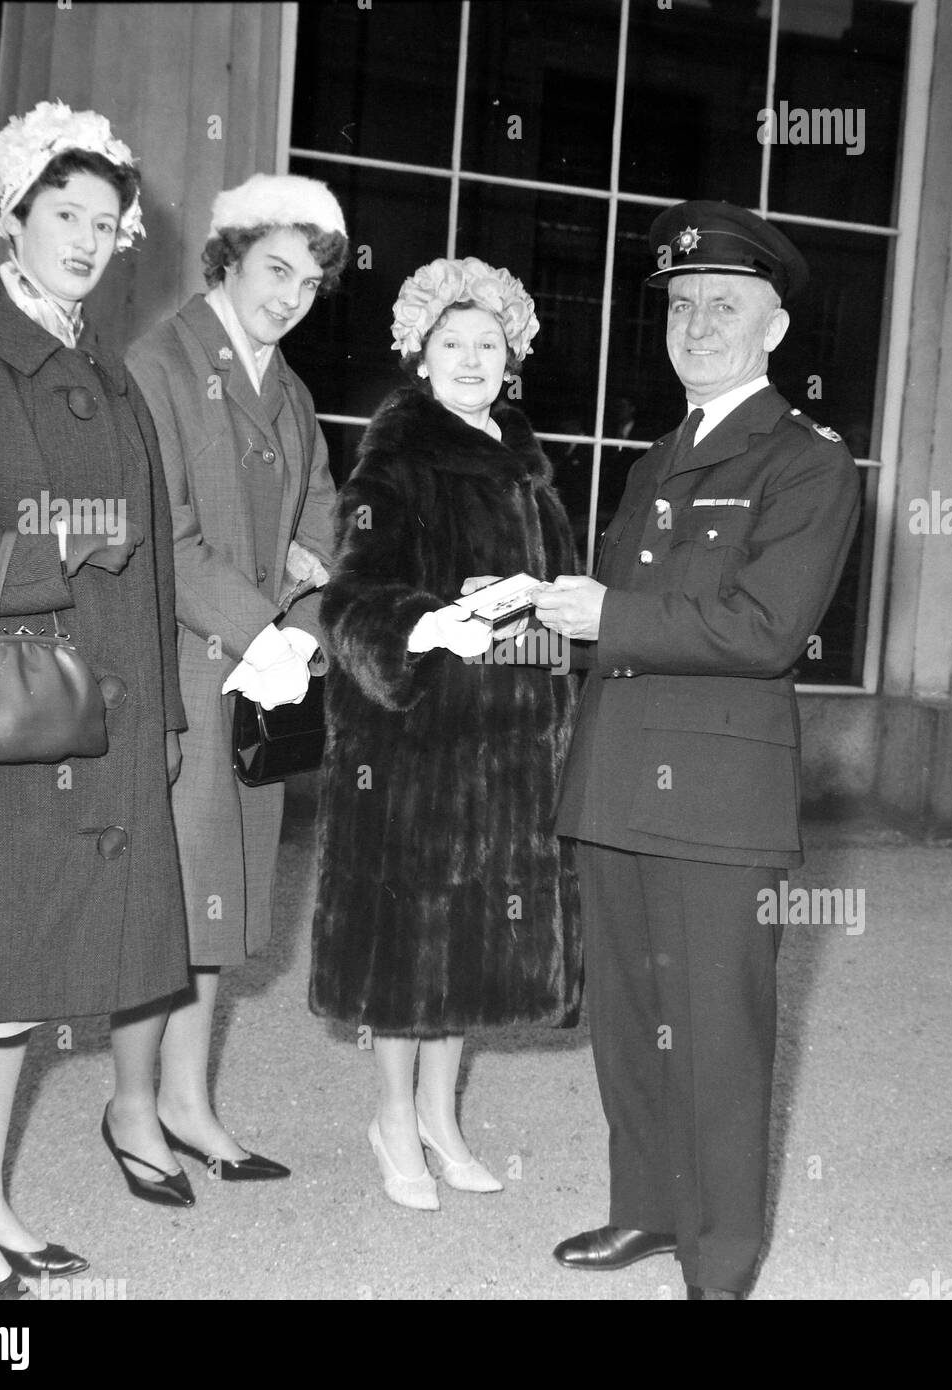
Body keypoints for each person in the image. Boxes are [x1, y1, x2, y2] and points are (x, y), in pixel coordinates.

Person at [0, 101, 188, 1297]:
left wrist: (159, 712)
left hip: (85, 721)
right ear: (9, 217)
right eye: (64, 214)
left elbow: (153, 559)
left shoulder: (106, 377)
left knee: (17, 974)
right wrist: (58, 549)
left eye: (106, 223)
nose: (87, 238)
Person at [537, 201, 861, 1298]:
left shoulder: (808, 464)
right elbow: (627, 618)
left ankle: (719, 1259)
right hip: (615, 778)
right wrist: (527, 615)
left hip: (717, 799)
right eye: (681, 306)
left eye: (725, 305)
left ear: (773, 328)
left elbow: (767, 631)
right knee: (629, 1019)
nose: (699, 324)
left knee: (716, 1032)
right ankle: (647, 1210)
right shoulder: (653, 458)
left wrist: (600, 617)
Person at [309, 257, 582, 1210]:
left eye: (488, 344)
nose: (471, 358)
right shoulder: (398, 456)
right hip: (414, 742)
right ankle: (392, 1118)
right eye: (452, 343)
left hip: (507, 745)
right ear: (420, 355)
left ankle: (440, 1117)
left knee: (467, 940)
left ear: (512, 359)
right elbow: (350, 602)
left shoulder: (525, 464)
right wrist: (429, 623)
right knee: (407, 939)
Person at [107, 174, 347, 1198]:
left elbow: (325, 508)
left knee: (221, 898)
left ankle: (187, 1097)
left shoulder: (287, 387)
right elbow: (165, 533)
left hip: (257, 676)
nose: (290, 294)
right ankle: (128, 1104)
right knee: (160, 900)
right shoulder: (158, 362)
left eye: (310, 278)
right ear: (228, 257)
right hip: (174, 669)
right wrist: (265, 627)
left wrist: (302, 588)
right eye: (274, 268)